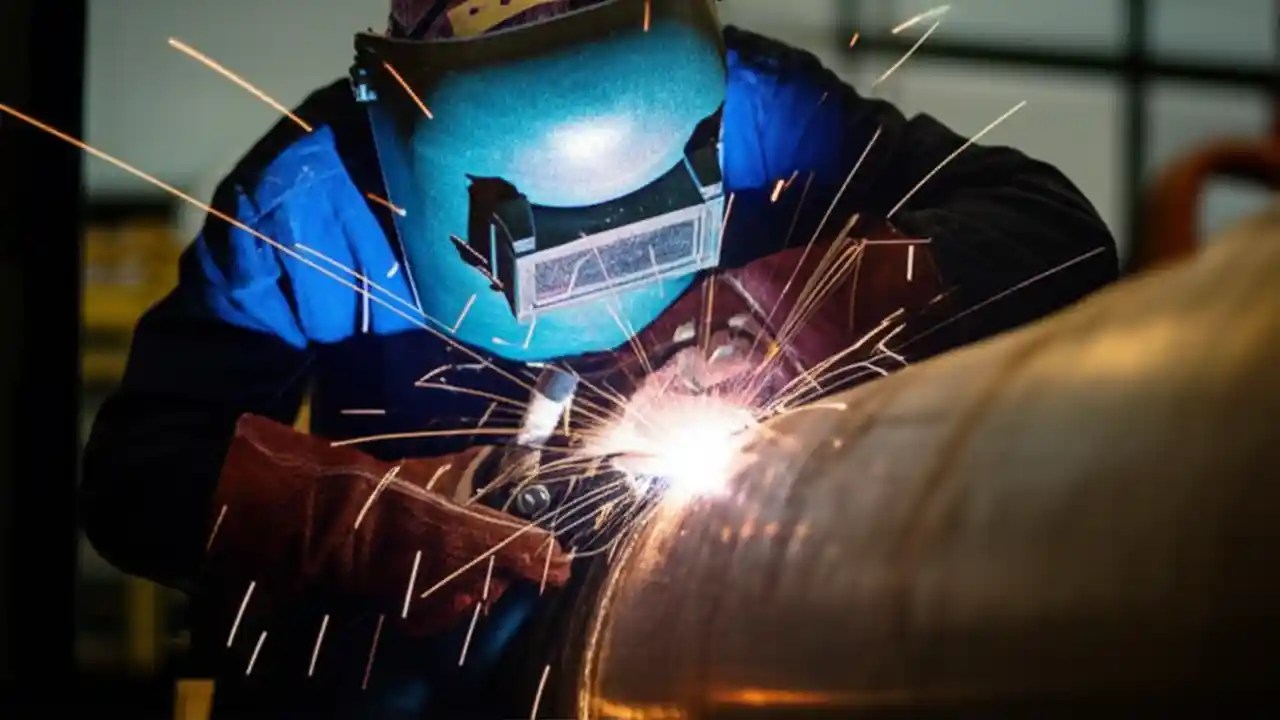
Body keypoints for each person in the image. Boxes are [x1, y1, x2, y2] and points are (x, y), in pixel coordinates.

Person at [79, 0, 1119, 717]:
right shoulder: (318, 197)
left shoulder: (752, 108)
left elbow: (1047, 231)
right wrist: (355, 514)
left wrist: (775, 314)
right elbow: (138, 474)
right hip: (406, 685)